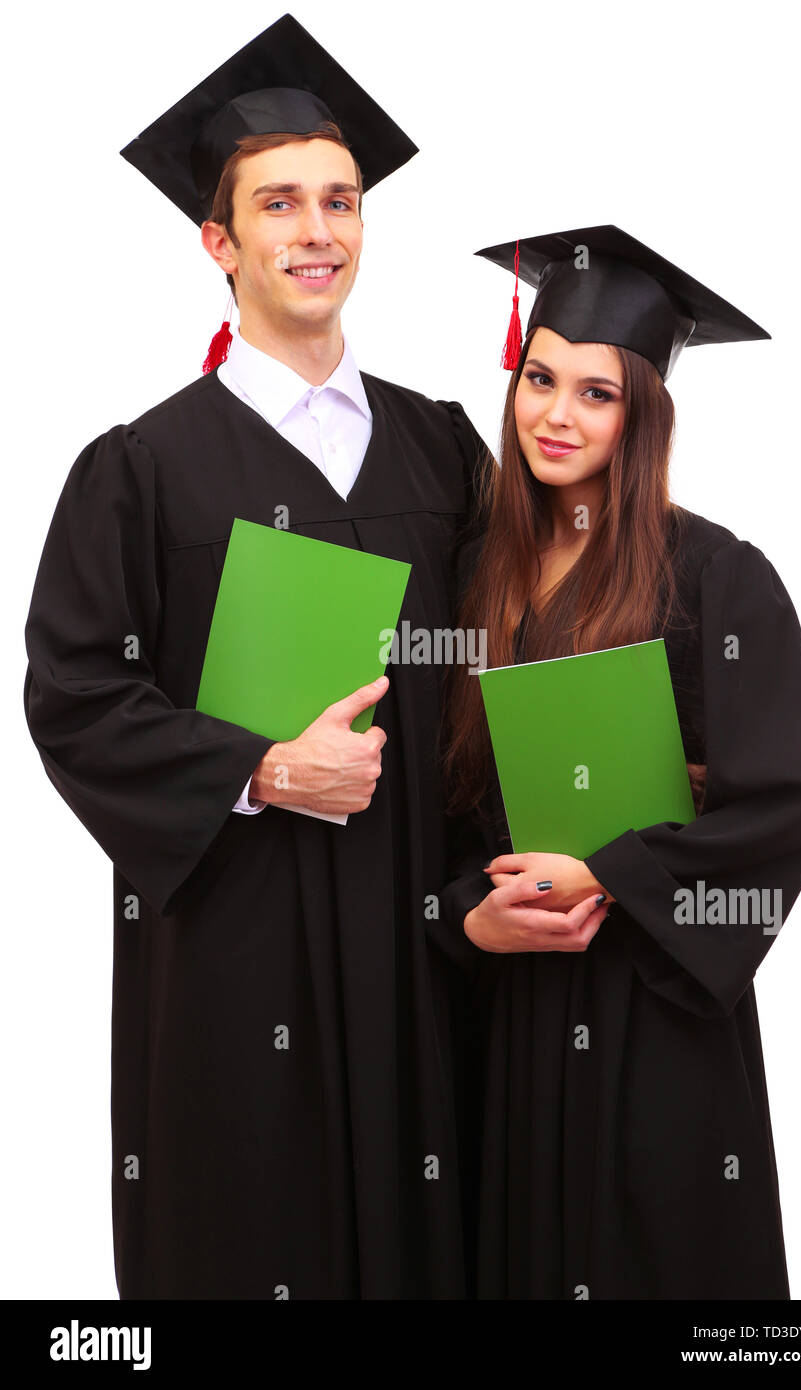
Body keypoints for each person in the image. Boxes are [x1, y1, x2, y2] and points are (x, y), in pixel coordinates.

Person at [23, 15, 488, 1299]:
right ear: (219, 241)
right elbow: (73, 693)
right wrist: (264, 771)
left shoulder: (440, 449)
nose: (318, 229)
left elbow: (506, 660)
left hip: (419, 938)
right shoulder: (142, 466)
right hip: (237, 947)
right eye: (278, 202)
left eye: (339, 200)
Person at [438, 224, 801, 1299]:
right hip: (512, 1014)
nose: (554, 415)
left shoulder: (715, 576)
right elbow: (450, 811)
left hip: (650, 1013)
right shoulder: (471, 574)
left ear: (643, 412)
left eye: (596, 393)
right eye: (538, 378)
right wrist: (472, 907)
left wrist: (608, 872)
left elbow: (783, 807)